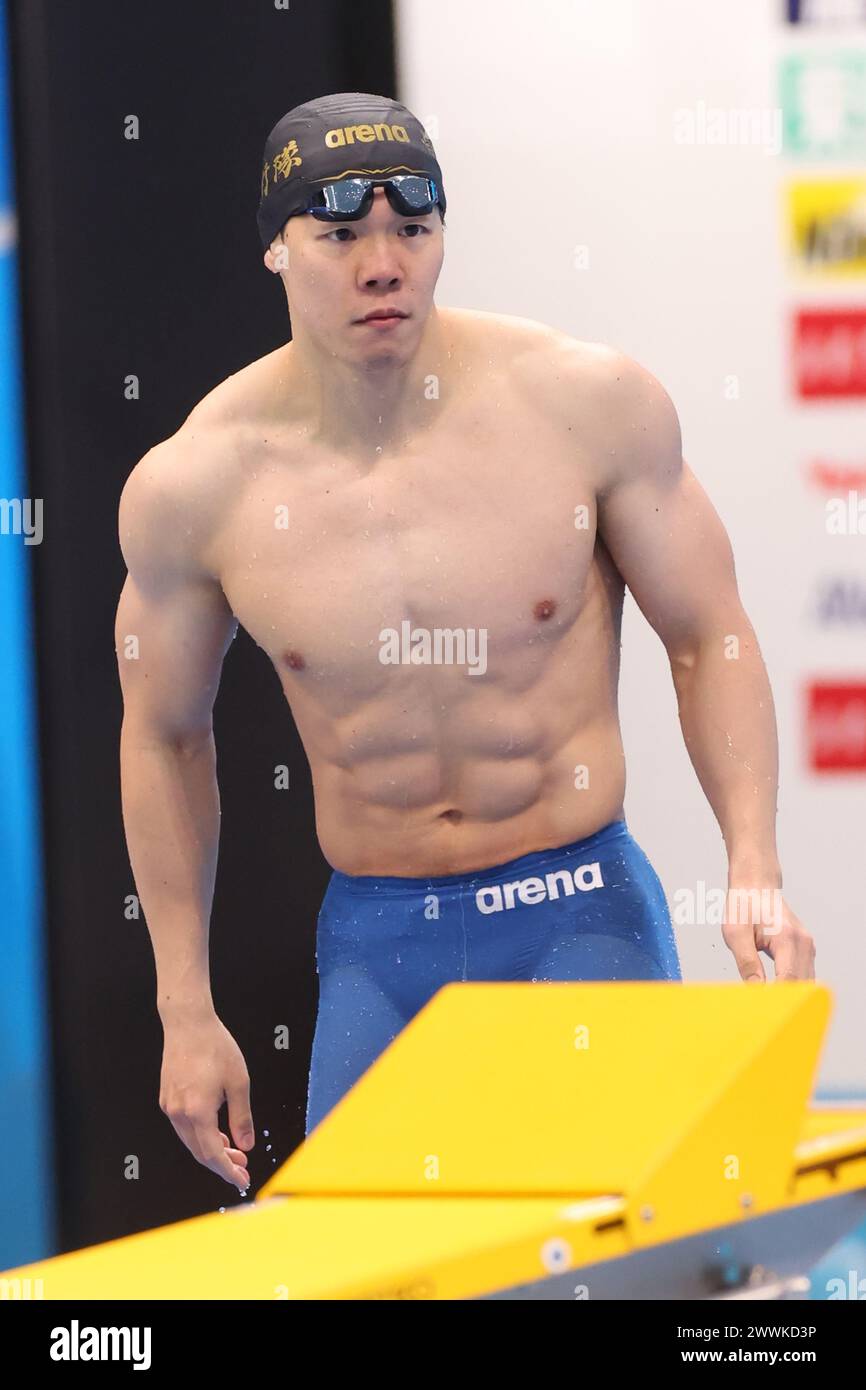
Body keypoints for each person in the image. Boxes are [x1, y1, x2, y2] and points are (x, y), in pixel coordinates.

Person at [115, 92, 816, 1192]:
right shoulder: (196, 486)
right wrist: (184, 1008)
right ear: (274, 248)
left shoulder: (584, 404)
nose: (382, 264)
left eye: (414, 228)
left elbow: (707, 633)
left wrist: (754, 867)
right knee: (374, 1276)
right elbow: (164, 738)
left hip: (578, 913)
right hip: (377, 946)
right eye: (341, 236)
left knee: (611, 1266)